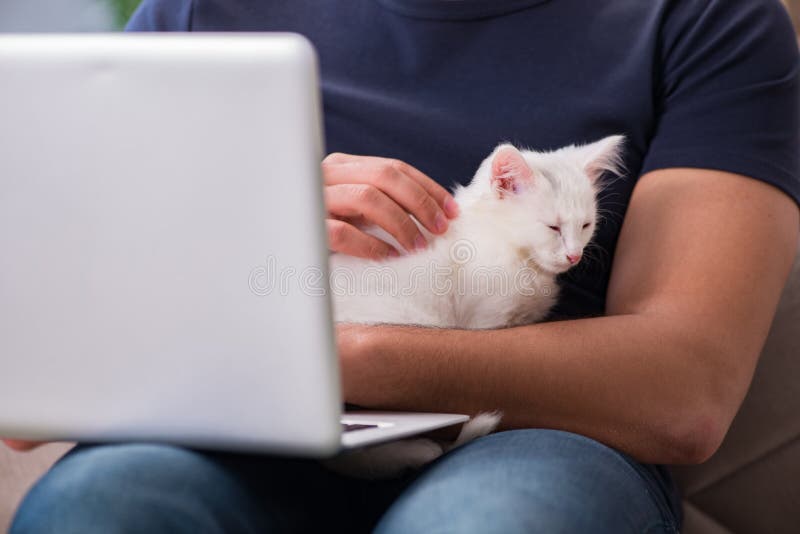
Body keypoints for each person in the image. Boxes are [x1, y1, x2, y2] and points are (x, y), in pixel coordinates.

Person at [6, 1, 800, 532]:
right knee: (100, 509)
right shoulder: (198, 12)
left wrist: (352, 357)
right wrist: (246, 217)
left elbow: (685, 394)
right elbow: (38, 378)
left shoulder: (703, 18)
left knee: (488, 525)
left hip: (540, 432)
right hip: (238, 424)